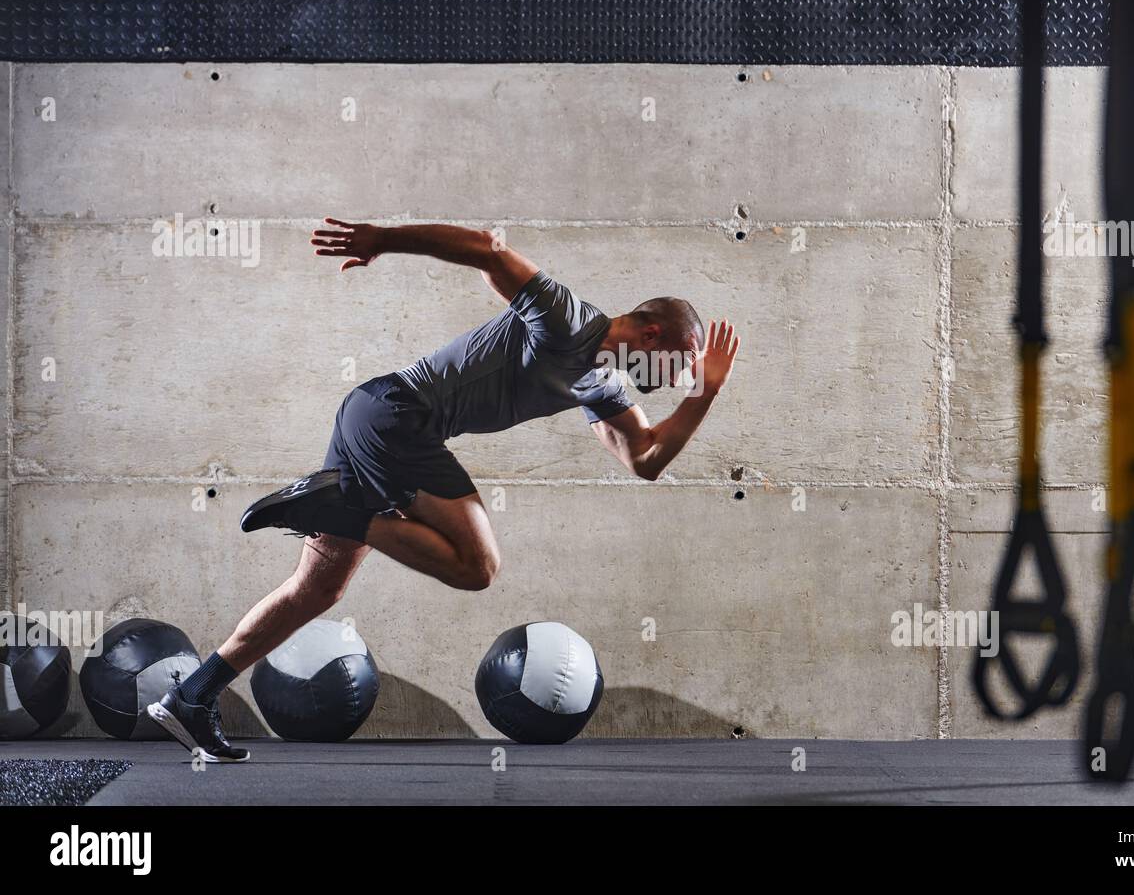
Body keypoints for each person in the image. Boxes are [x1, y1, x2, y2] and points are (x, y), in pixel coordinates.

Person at [147, 218, 739, 761]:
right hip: (399, 418)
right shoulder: (569, 319)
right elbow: (490, 249)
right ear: (651, 331)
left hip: (374, 418)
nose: (674, 381)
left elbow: (646, 460)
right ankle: (338, 508)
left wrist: (703, 396)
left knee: (316, 591)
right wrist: (381, 239)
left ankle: (193, 697)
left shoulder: (602, 385)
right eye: (678, 364)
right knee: (477, 565)